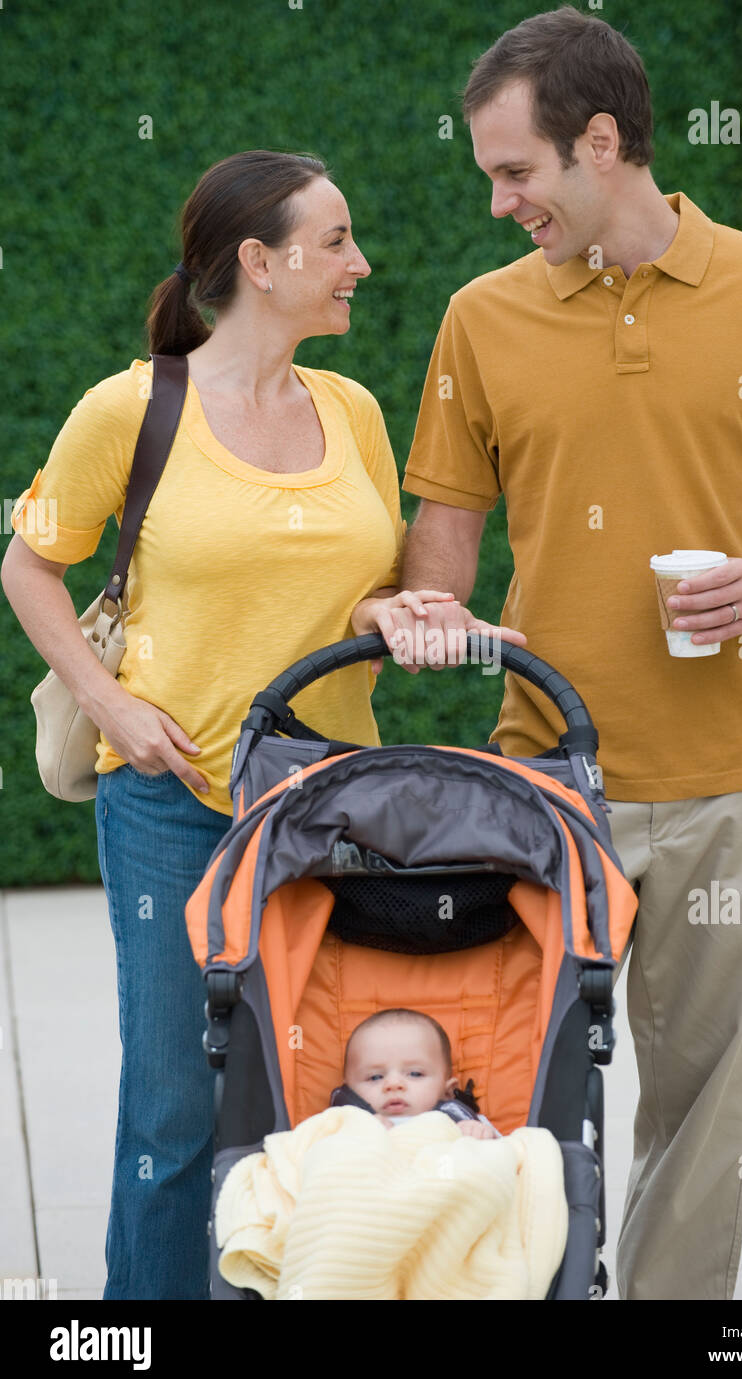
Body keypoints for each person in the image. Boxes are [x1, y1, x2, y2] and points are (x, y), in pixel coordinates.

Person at [387, 10, 742, 1299]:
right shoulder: (479, 318)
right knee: (516, 1085)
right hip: (548, 772)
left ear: (599, 142)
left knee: (704, 1103)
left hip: (741, 772)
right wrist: (425, 615)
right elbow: (443, 540)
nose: (498, 203)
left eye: (516, 171)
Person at [0, 149, 516, 1299]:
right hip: (173, 804)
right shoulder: (131, 409)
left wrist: (403, 614)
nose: (359, 264)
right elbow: (28, 565)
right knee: (175, 1102)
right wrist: (109, 700)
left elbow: (369, 590)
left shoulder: (351, 409)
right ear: (258, 261)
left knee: (311, 1088)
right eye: (334, 242)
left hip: (328, 803)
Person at [330, 1008, 500, 1137]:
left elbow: (506, 1158)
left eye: (415, 1074)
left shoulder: (466, 1124)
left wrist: (480, 1137)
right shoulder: (338, 1125)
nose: (393, 1084)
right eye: (375, 1077)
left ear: (448, 1091)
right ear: (348, 1092)